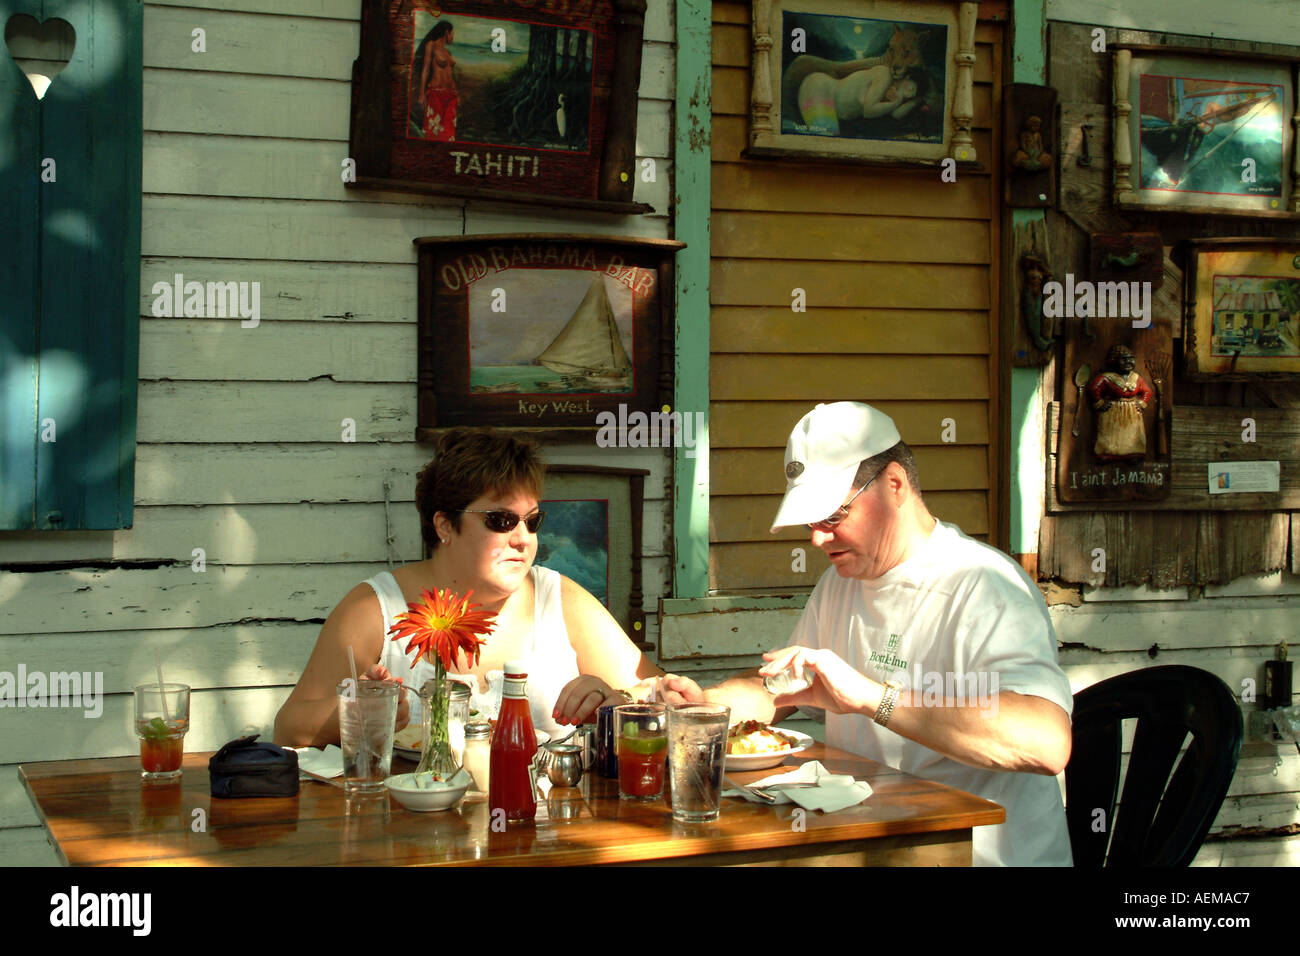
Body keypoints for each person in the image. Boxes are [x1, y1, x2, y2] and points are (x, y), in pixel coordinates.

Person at [660, 402, 1074, 866]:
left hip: (979, 854)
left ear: (894, 484)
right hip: (874, 844)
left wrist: (874, 698)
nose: (817, 538)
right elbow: (781, 688)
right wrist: (706, 708)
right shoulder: (841, 581)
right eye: (810, 521)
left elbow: (1046, 742)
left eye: (833, 516)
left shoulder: (986, 585)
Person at [274, 428, 662, 748]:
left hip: (543, 826)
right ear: (444, 525)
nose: (523, 538)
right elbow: (290, 728)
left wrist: (615, 699)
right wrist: (356, 711)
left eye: (532, 521)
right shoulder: (377, 606)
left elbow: (654, 696)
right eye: (500, 520)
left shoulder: (558, 597)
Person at [1086, 344, 1153, 461]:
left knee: (1132, 434)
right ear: (1114, 360)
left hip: (1132, 412)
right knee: (1109, 435)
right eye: (1124, 359)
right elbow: (1094, 388)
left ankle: (1133, 454)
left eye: (1131, 358)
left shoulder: (1136, 378)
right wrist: (1100, 403)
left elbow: (1147, 391)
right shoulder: (1107, 377)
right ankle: (1106, 453)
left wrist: (1141, 403)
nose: (1128, 362)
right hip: (1112, 411)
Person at [415, 21, 458, 141]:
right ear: (446, 33)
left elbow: (450, 74)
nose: (453, 37)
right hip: (436, 93)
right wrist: (421, 93)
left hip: (451, 95)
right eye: (452, 34)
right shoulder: (431, 45)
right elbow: (426, 70)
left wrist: (456, 93)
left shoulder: (448, 52)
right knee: (432, 131)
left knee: (449, 134)